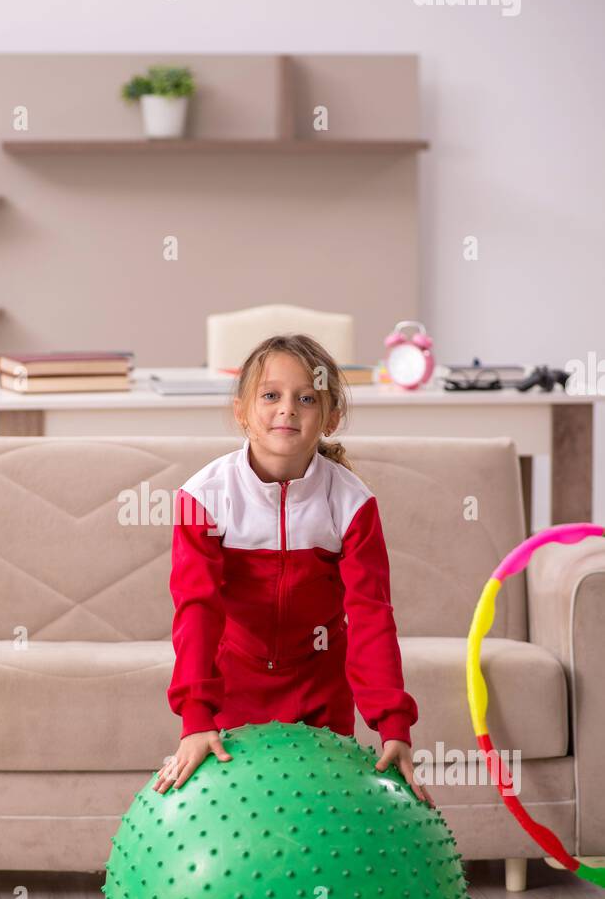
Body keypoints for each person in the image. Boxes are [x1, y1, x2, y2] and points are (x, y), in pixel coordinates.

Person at [157, 332, 434, 808]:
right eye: (270, 396)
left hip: (321, 690)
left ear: (330, 418)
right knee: (244, 820)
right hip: (234, 690)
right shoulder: (203, 497)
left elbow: (371, 616)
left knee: (318, 819)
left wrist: (393, 726)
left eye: (306, 398)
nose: (287, 409)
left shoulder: (352, 503)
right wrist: (196, 719)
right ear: (242, 412)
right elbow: (196, 610)